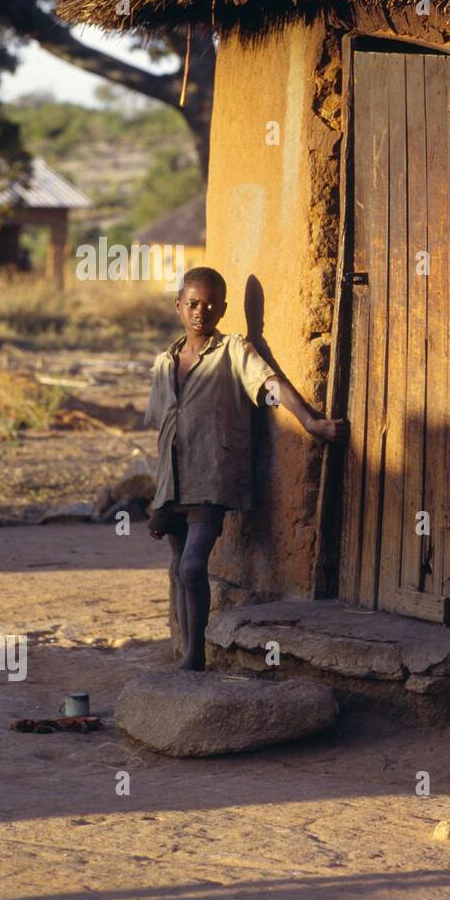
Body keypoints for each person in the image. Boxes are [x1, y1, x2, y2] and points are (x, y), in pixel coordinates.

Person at [144, 266, 345, 670]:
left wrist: (310, 423)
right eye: (193, 303)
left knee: (193, 565)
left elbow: (271, 384)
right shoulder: (164, 361)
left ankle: (194, 656)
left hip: (210, 476)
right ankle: (188, 651)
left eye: (211, 304)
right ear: (179, 305)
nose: (201, 311)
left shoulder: (234, 351)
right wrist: (156, 497)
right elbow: (163, 430)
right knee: (178, 568)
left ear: (223, 309)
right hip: (172, 483)